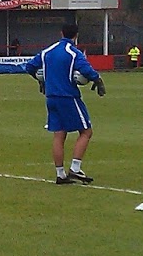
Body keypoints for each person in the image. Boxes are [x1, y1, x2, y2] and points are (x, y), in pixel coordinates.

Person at [23, 23, 105, 185]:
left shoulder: (48, 51)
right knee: (86, 132)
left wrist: (41, 81)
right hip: (68, 97)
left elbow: (30, 67)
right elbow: (86, 70)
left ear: (61, 33)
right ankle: (75, 169)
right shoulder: (73, 53)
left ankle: (60, 174)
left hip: (51, 97)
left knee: (59, 135)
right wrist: (98, 80)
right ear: (76, 35)